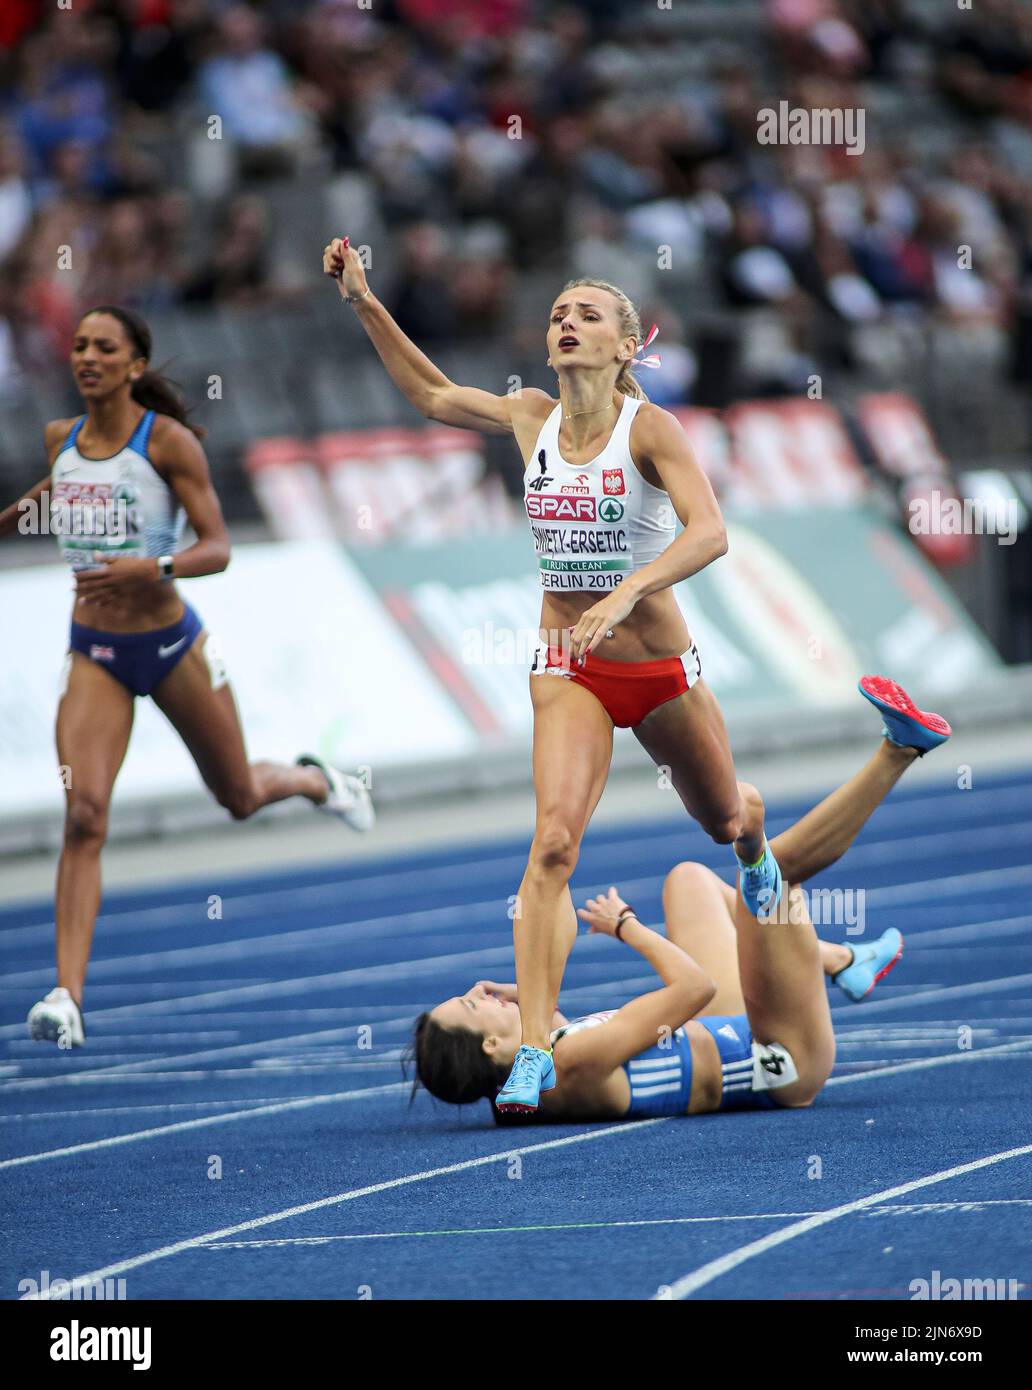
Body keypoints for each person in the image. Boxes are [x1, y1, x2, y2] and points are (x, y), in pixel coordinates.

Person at [323, 234, 782, 1113]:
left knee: (722, 815)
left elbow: (711, 531)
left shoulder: (651, 429)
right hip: (568, 664)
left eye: (590, 315)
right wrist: (363, 299)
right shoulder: (529, 413)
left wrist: (630, 590)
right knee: (553, 844)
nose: (569, 323)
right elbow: (427, 392)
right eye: (559, 314)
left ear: (625, 345)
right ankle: (534, 1046)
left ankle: (756, 843)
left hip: (655, 668)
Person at [0, 304, 373, 1049]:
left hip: (174, 647)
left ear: (135, 365)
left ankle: (313, 780)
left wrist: (153, 565)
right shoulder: (58, 439)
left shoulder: (165, 442)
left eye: (105, 347)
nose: (87, 357)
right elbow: (59, 498)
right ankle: (67, 997)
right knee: (84, 817)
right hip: (94, 655)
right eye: (79, 346)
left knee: (238, 796)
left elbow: (219, 546)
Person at [410, 677, 950, 1122]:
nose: (479, 993)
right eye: (469, 1004)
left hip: (730, 1025)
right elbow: (696, 986)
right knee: (769, 883)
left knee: (688, 879)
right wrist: (627, 927)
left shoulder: (538, 1078)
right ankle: (899, 749)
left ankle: (840, 959)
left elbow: (563, 1029)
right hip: (782, 1054)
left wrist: (527, 997)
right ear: (488, 1047)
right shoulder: (570, 1063)